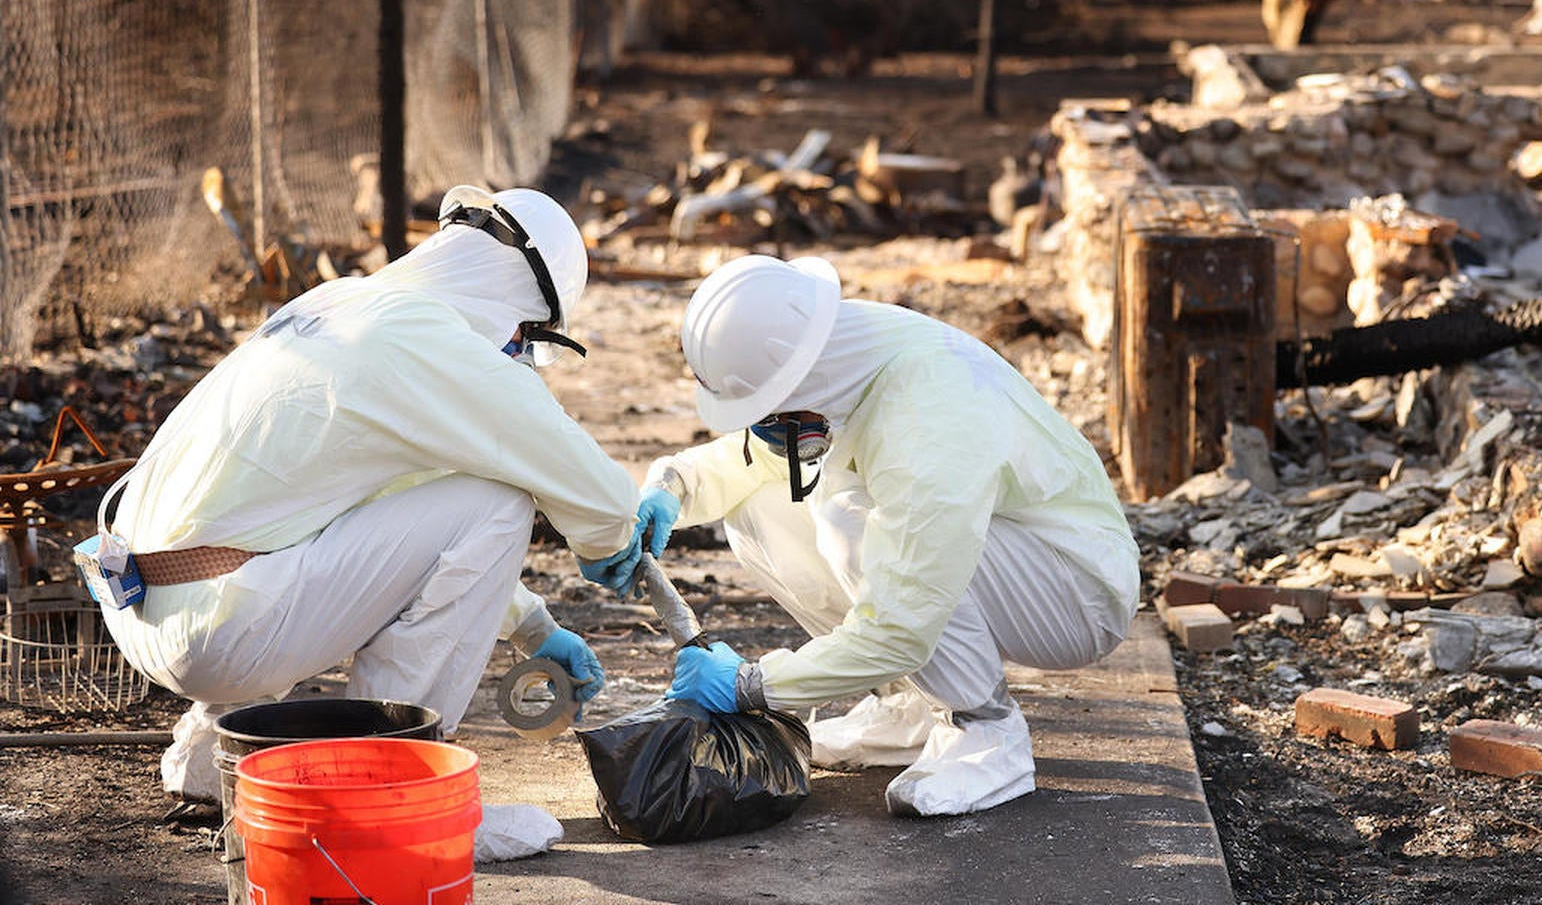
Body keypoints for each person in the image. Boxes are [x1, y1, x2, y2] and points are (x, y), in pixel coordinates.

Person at [91, 186, 665, 809]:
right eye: (526, 336)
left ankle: (212, 761)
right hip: (221, 633)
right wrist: (609, 539)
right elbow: (587, 486)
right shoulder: (428, 341)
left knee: (286, 515)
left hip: (144, 608)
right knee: (499, 501)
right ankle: (397, 789)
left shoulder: (340, 304)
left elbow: (395, 528)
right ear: (519, 305)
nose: (519, 351)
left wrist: (532, 626)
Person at [641, 254, 1141, 816]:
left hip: (1075, 590)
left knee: (849, 519)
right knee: (757, 505)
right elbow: (754, 462)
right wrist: (672, 486)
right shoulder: (842, 354)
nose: (767, 424)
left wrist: (753, 685)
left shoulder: (928, 419)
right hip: (1005, 551)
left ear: (796, 377)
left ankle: (984, 730)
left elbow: (903, 622)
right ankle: (908, 705)